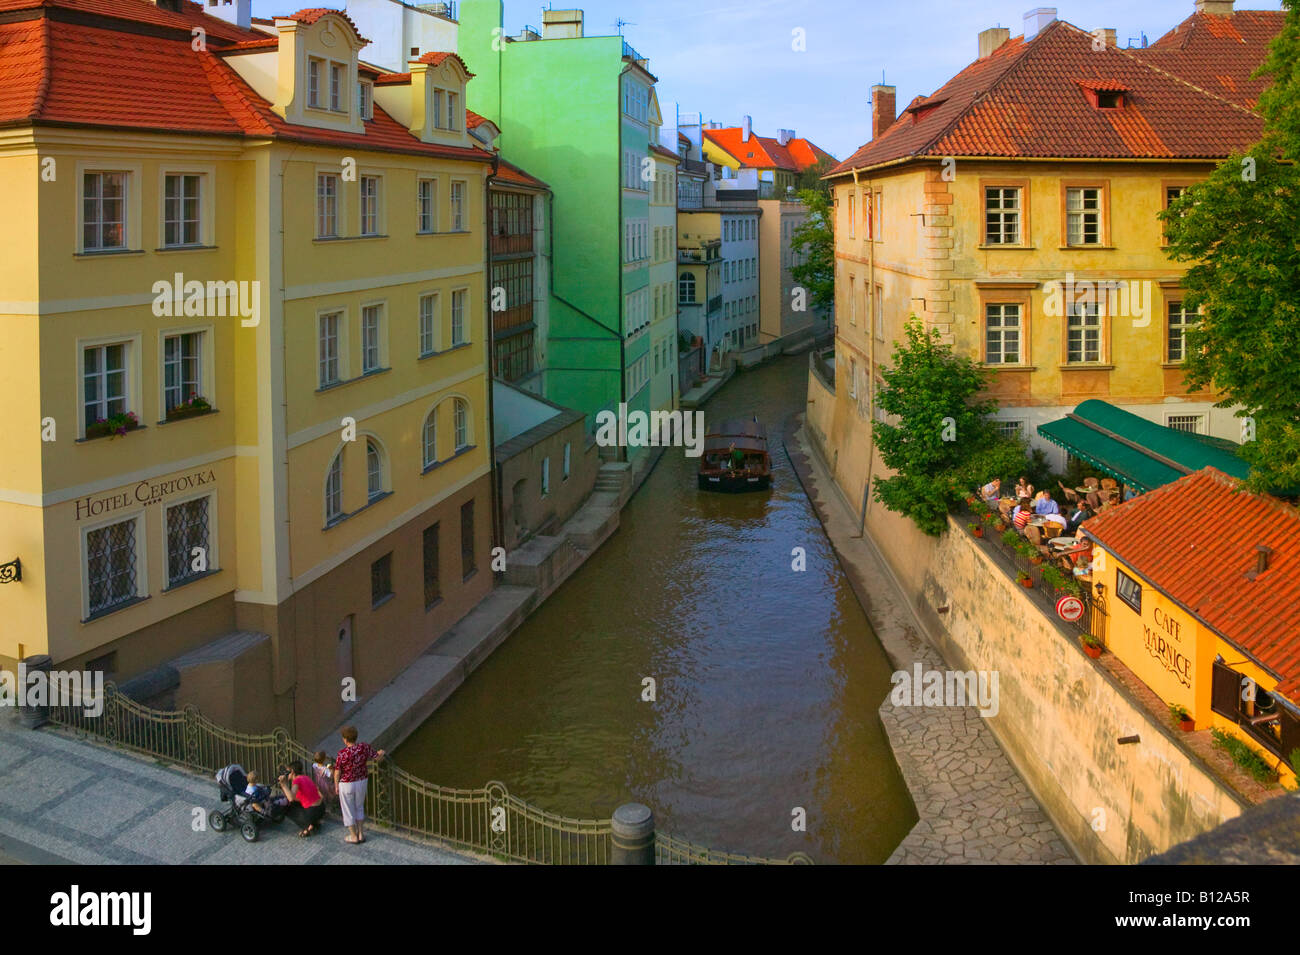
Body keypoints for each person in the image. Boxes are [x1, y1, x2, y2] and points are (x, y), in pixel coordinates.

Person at [333, 726, 385, 845]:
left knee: (348, 810)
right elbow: (377, 758)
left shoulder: (342, 754)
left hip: (346, 784)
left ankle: (353, 836)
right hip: (361, 781)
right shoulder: (364, 747)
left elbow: (337, 772)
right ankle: (361, 834)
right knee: (359, 807)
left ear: (345, 739)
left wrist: (336, 785)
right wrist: (382, 752)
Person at [279, 760, 326, 837]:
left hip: (312, 812)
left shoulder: (297, 780)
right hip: (321, 809)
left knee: (287, 807)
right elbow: (296, 798)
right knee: (294, 803)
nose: (286, 774)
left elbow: (290, 798)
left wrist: (283, 785)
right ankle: (314, 823)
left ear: (292, 771)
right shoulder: (305, 777)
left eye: (287, 772)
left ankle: (306, 827)